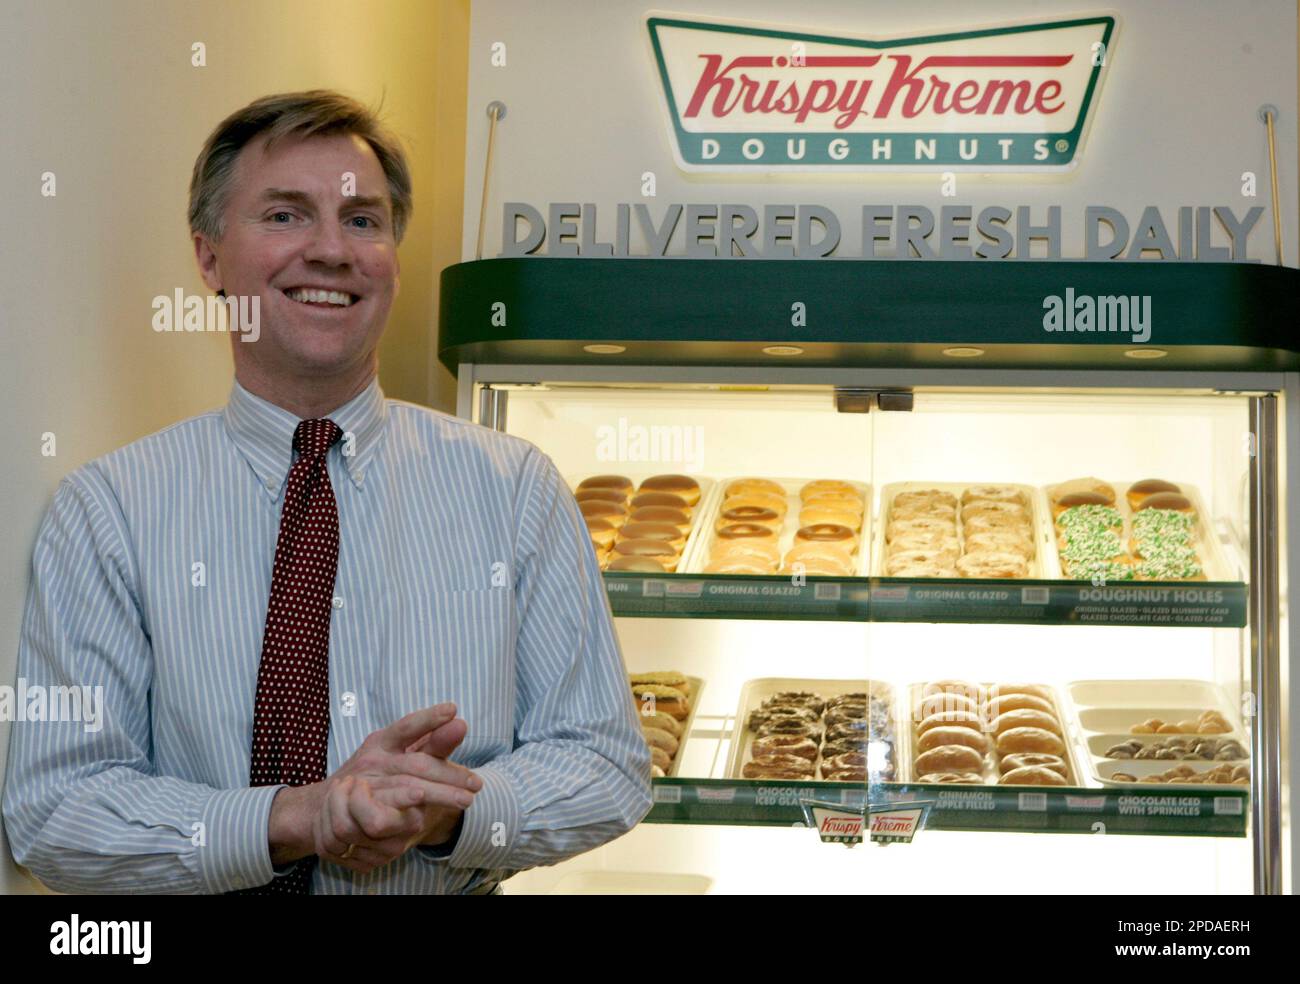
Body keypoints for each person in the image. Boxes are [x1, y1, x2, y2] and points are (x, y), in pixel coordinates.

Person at [1, 90, 652, 894]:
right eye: (284, 216)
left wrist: (448, 813)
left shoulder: (515, 490)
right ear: (208, 257)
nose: (331, 251)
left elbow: (605, 763)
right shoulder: (109, 512)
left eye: (363, 221)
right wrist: (296, 819)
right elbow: (56, 809)